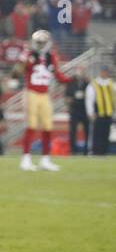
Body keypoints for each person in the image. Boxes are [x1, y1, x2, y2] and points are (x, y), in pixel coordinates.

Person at [18, 29, 68, 171]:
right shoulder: (28, 54)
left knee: (47, 126)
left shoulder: (51, 56)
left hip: (45, 94)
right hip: (31, 92)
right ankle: (25, 159)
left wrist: (72, 80)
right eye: (38, 42)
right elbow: (17, 71)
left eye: (42, 42)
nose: (40, 45)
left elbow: (58, 75)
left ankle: (45, 159)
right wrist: (27, 60)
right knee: (31, 125)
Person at [86, 68, 114, 156]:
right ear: (100, 72)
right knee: (97, 134)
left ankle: (104, 151)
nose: (104, 73)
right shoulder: (94, 84)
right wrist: (90, 112)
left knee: (106, 133)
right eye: (103, 72)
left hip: (109, 113)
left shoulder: (111, 83)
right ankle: (96, 152)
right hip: (98, 113)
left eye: (106, 72)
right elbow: (89, 99)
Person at [67, 70, 90, 156]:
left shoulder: (87, 83)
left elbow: (90, 95)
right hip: (74, 110)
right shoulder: (71, 83)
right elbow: (67, 96)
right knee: (73, 131)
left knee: (87, 130)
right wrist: (70, 99)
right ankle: (73, 150)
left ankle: (86, 150)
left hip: (84, 110)